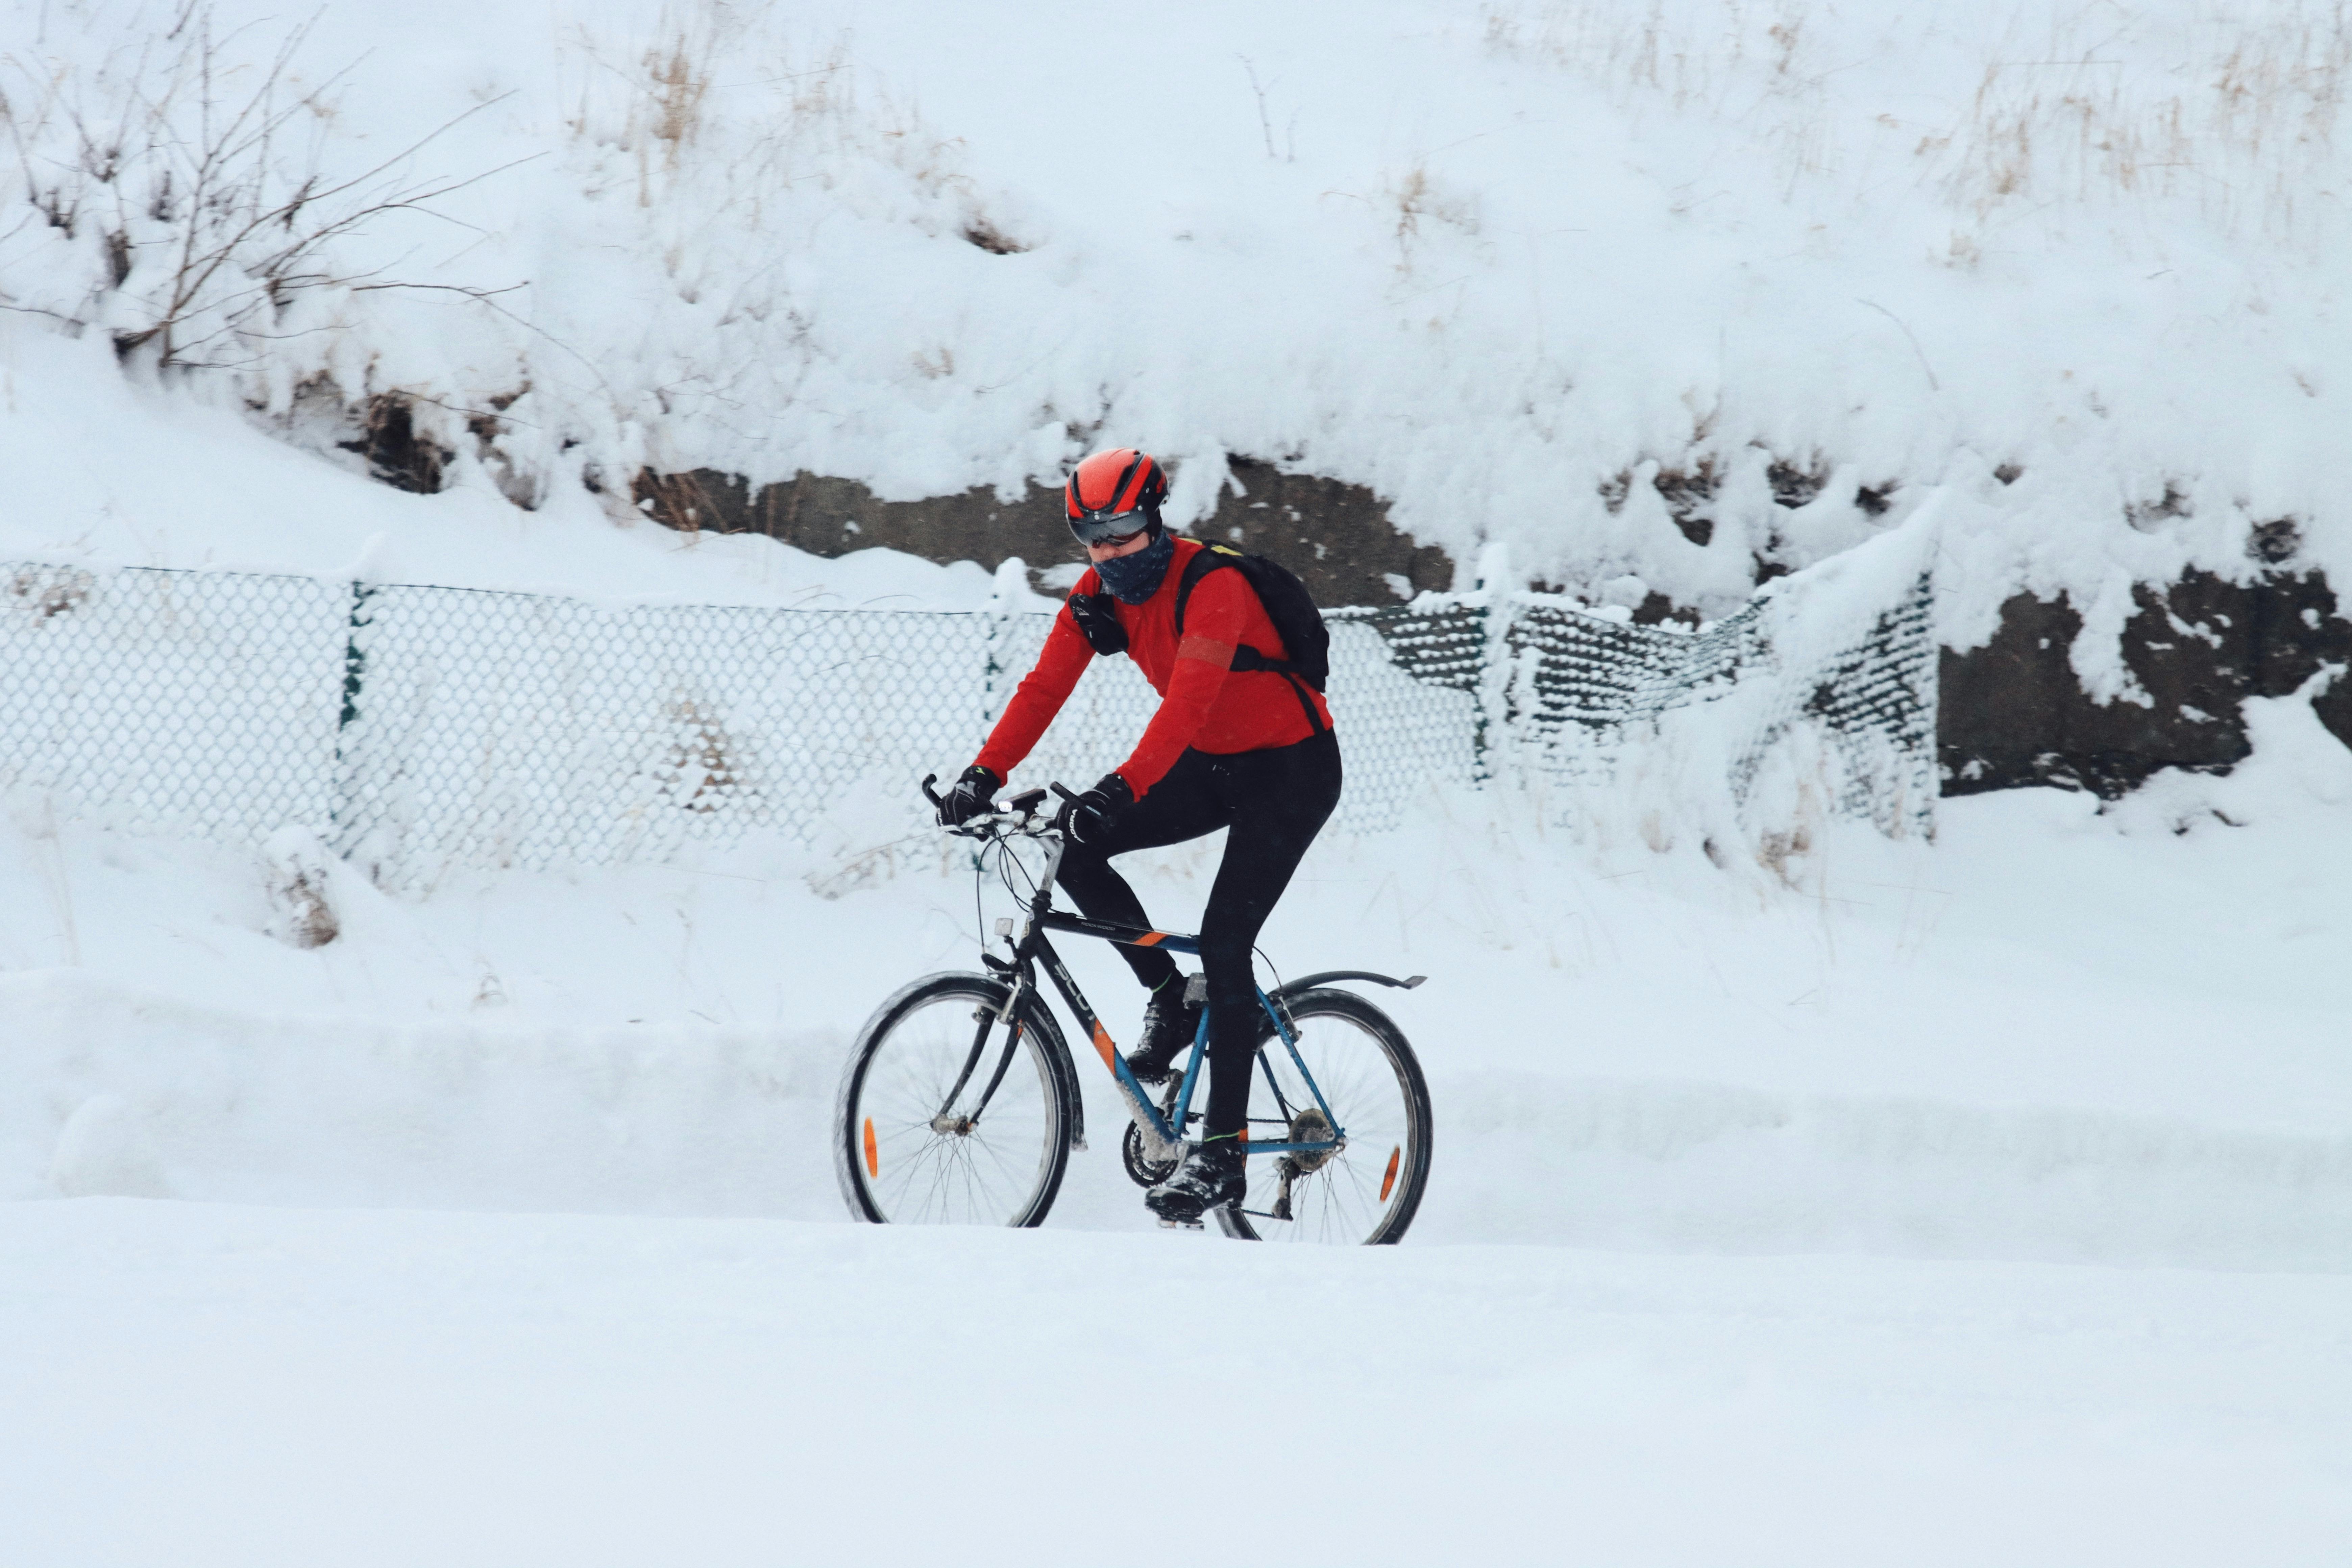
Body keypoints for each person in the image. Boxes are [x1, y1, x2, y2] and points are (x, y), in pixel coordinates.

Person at [933, 447, 1342, 1223]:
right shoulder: (1098, 594)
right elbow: (1045, 685)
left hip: (1292, 770)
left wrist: (1119, 789)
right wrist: (981, 776)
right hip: (1218, 765)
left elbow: (1185, 708)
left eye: (1122, 531)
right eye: (1092, 536)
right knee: (1077, 848)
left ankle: (1221, 1157)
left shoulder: (1212, 586)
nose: (1109, 551)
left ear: (1154, 518)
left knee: (1225, 941)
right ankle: (1168, 994)